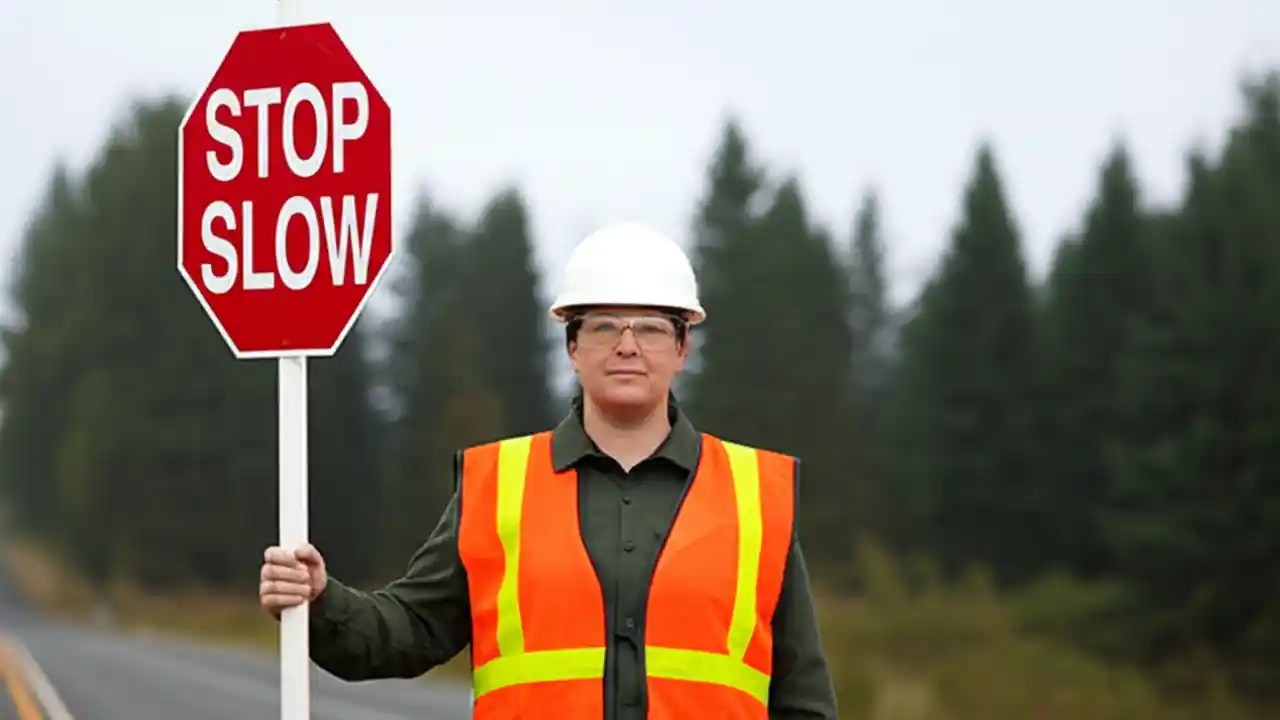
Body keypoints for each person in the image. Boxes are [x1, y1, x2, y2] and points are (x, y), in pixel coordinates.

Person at [258, 221, 839, 719]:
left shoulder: (756, 496)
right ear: (572, 347)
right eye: (605, 325)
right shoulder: (498, 485)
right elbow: (409, 630)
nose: (628, 346)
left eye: (653, 328)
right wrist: (321, 601)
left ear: (683, 348)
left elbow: (803, 699)